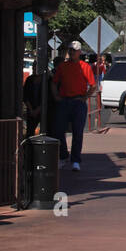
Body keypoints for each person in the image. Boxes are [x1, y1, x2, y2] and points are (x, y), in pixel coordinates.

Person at [52, 42, 96, 170]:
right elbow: (54, 82)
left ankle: (75, 160)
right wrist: (56, 96)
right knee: (59, 130)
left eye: (74, 50)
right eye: (70, 50)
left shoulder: (85, 67)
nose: (72, 52)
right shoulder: (63, 67)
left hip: (78, 102)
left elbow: (93, 85)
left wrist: (85, 97)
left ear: (79, 52)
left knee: (78, 132)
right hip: (64, 101)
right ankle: (63, 156)